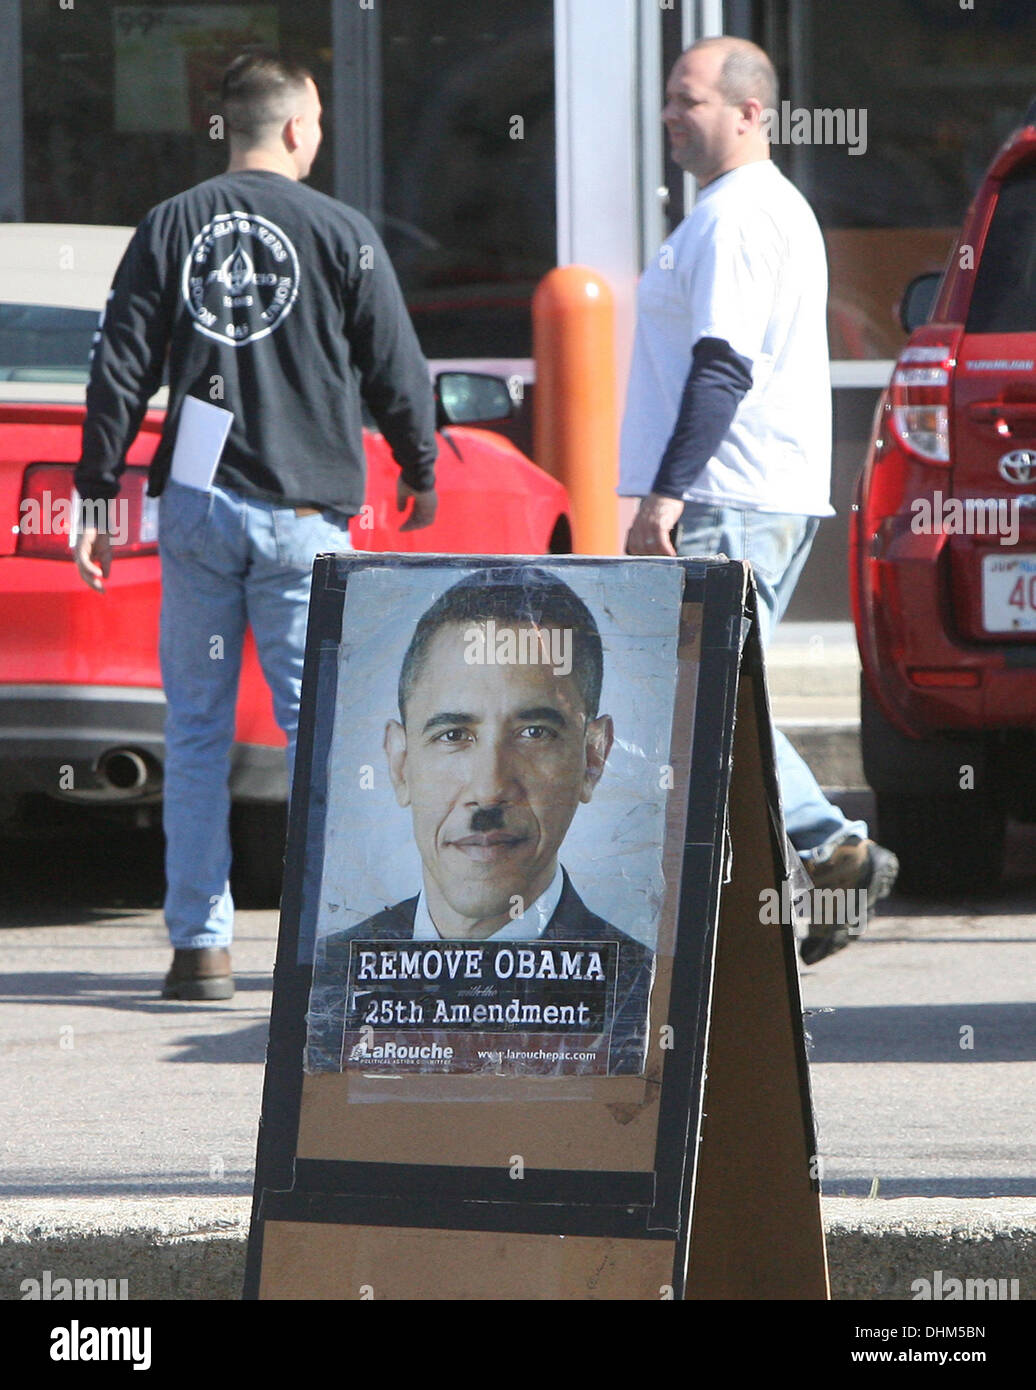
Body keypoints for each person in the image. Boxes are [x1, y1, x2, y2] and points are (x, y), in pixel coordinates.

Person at [73, 52, 439, 1000]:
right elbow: (396, 362)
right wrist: (422, 464)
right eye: (315, 121)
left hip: (197, 508)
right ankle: (331, 947)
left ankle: (200, 946)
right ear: (289, 128)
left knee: (195, 733)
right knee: (322, 732)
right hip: (305, 512)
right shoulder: (341, 232)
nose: (317, 136)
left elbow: (119, 364)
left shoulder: (168, 226)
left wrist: (95, 488)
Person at [620, 36, 897, 961]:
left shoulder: (738, 217)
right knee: (713, 694)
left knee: (706, 696)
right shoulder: (742, 210)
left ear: (750, 111)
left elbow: (722, 365)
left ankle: (826, 852)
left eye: (689, 99)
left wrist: (665, 494)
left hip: (727, 495)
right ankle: (804, 867)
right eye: (668, 98)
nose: (671, 114)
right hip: (745, 493)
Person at [309, 567, 654, 1073]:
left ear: (593, 757)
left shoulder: (648, 992)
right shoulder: (328, 978)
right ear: (401, 765)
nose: (490, 788)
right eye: (453, 735)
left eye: (534, 732)